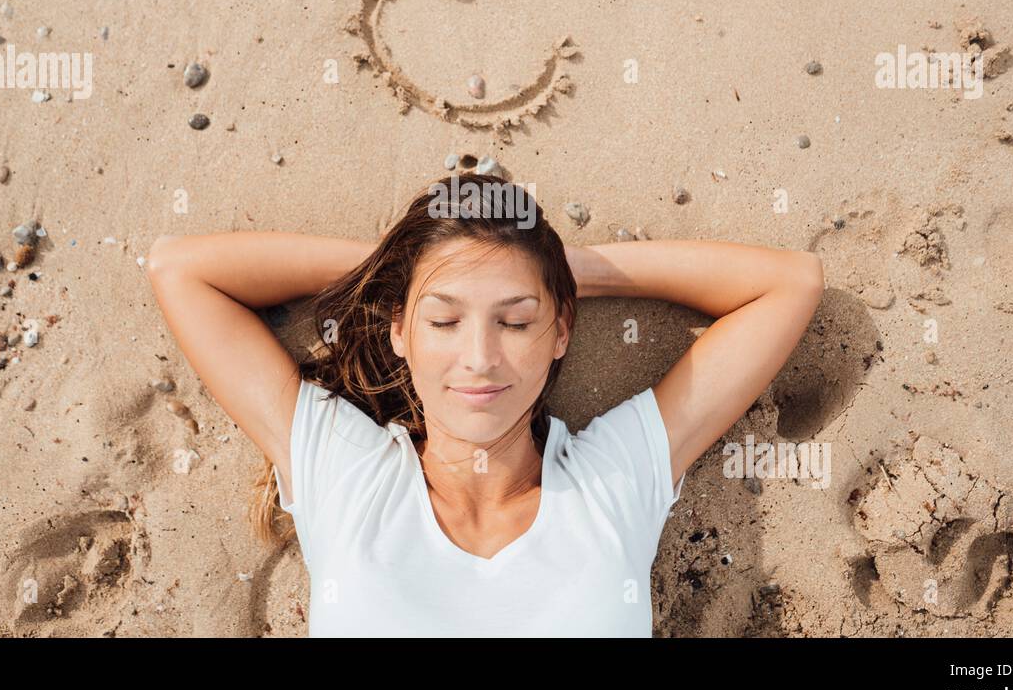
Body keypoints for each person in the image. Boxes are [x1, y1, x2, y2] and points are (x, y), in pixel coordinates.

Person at [145, 172, 823, 636]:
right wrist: (419, 265)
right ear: (400, 330)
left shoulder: (612, 483)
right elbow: (181, 270)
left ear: (562, 329)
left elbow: (790, 284)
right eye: (443, 320)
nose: (479, 356)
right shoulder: (346, 476)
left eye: (516, 319)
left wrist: (557, 266)